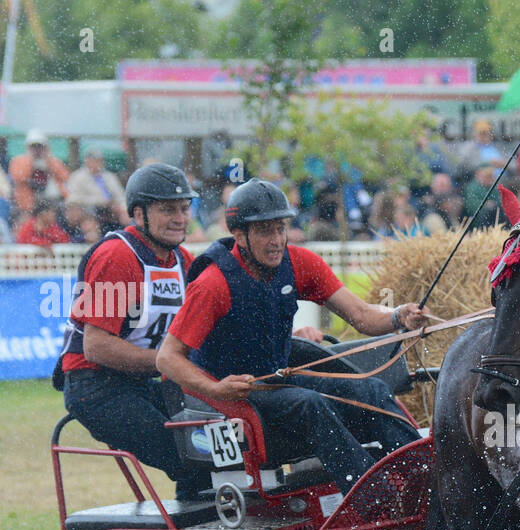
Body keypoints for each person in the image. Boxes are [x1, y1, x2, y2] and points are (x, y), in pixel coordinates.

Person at [157, 178, 434, 497]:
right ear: (239, 235)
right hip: (231, 397)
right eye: (265, 231)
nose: (276, 240)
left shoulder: (301, 263)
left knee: (372, 389)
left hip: (279, 382)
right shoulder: (212, 285)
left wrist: (399, 316)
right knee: (309, 404)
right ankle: (374, 498)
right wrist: (216, 388)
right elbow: (167, 358)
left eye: (281, 229)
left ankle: (425, 482)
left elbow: (361, 315)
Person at [58, 163, 205, 498]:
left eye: (184, 209)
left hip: (141, 383)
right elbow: (96, 347)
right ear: (138, 214)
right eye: (167, 210)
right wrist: (167, 360)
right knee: (193, 456)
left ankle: (202, 525)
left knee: (215, 445)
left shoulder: (183, 260)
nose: (180, 218)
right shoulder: (116, 256)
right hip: (95, 386)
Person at [9, 129, 70, 216]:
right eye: (34, 147)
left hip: (52, 198)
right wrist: (31, 161)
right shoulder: (19, 161)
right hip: (29, 199)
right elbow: (19, 177)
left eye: (40, 146)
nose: (37, 149)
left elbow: (65, 176)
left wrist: (48, 162)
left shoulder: (53, 161)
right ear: (28, 147)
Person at [66, 147, 127, 226]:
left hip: (111, 211)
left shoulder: (109, 176)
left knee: (126, 216)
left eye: (99, 161)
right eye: (93, 160)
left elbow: (121, 196)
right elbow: (72, 198)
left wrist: (123, 208)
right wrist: (100, 201)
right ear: (87, 161)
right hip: (89, 212)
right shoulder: (78, 177)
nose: (97, 164)